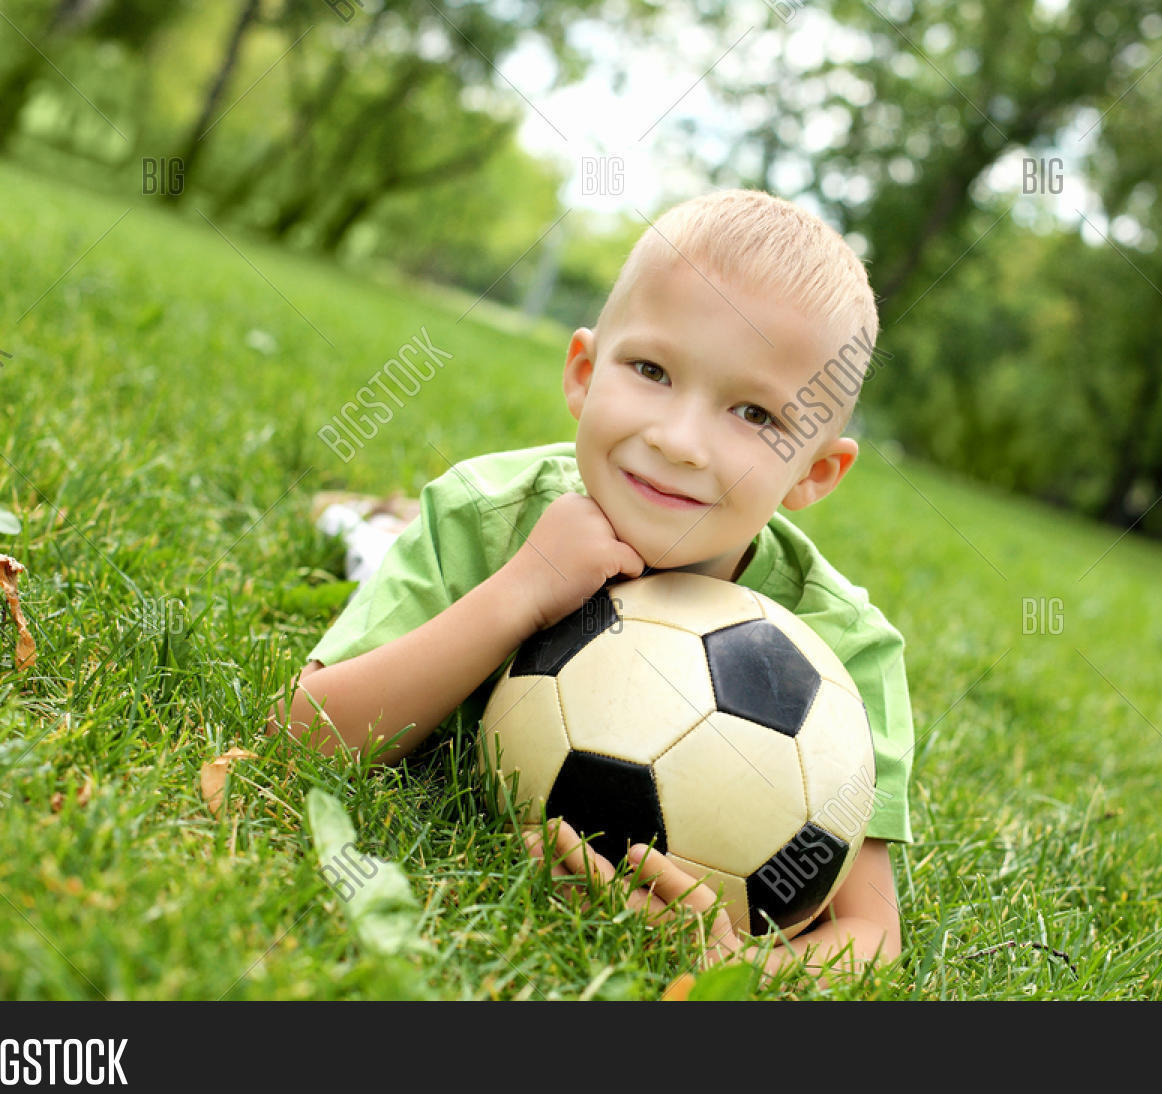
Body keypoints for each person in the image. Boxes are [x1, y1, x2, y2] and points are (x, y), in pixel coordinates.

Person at [269, 188, 915, 979]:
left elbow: (873, 936)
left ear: (815, 473)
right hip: (479, 553)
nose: (678, 441)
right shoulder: (482, 519)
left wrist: (731, 967)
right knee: (376, 555)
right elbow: (303, 737)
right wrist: (521, 589)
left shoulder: (848, 652)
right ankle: (371, 518)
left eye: (755, 415)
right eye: (652, 370)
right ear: (583, 371)